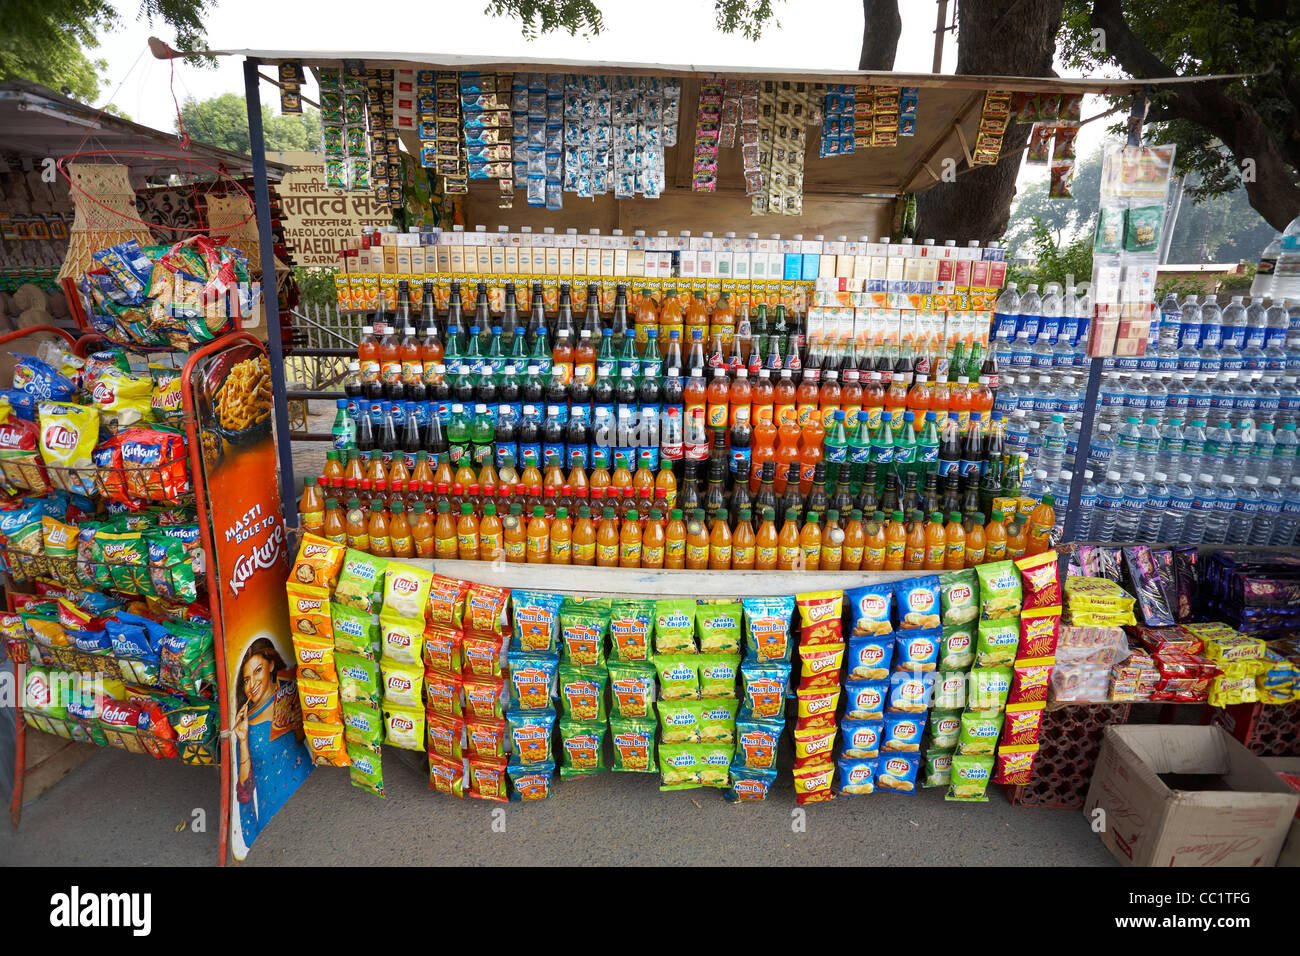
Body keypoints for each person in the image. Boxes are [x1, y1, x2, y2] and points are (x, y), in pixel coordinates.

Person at [232, 637, 312, 847]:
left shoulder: (286, 691)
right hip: (273, 812)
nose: (252, 684)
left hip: (309, 788)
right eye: (247, 679)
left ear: (271, 665)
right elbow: (245, 789)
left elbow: (298, 740)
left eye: (257, 670)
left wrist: (295, 716)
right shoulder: (244, 723)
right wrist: (242, 741)